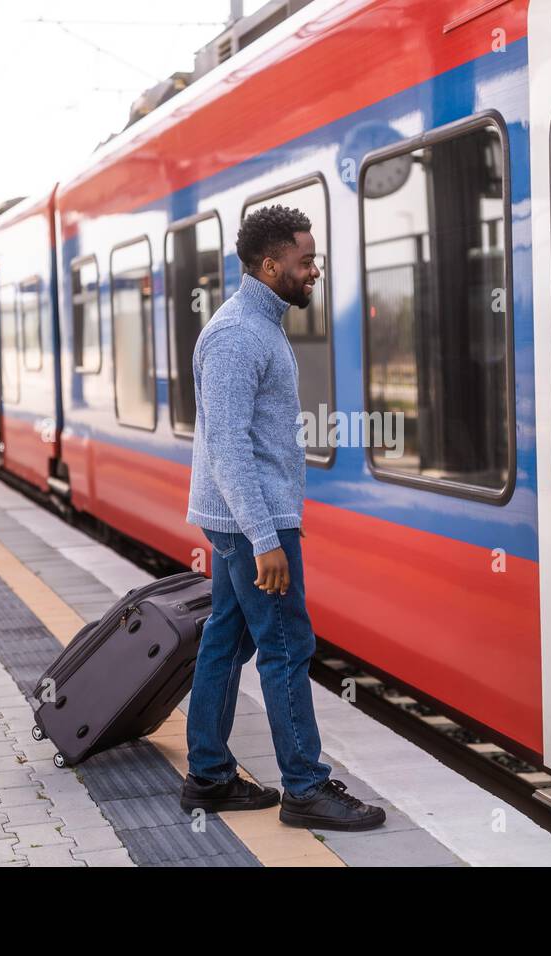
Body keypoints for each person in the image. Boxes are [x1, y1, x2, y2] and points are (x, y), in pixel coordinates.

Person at [180, 204, 386, 831]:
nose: (314, 271)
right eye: (305, 261)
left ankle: (209, 776)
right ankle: (305, 787)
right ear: (270, 266)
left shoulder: (258, 323)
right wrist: (265, 538)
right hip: (254, 523)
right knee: (287, 645)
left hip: (251, 518)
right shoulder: (238, 334)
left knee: (228, 636)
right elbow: (229, 447)